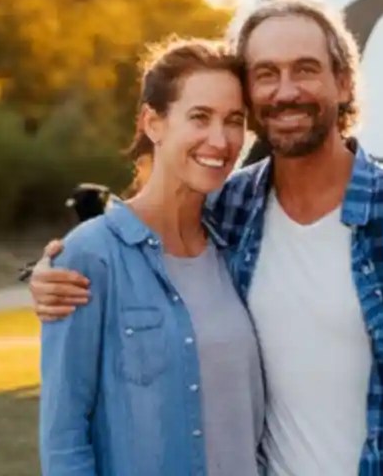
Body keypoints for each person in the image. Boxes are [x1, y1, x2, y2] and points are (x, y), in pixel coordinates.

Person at [32, 0, 383, 476]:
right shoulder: (230, 211)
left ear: (343, 83)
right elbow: (149, 238)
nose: (286, 90)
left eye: (305, 69)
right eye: (266, 74)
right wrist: (52, 272)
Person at [37, 36, 265, 476]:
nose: (220, 140)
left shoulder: (237, 250)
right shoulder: (90, 256)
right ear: (153, 123)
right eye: (200, 117)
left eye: (234, 120)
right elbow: (63, 440)